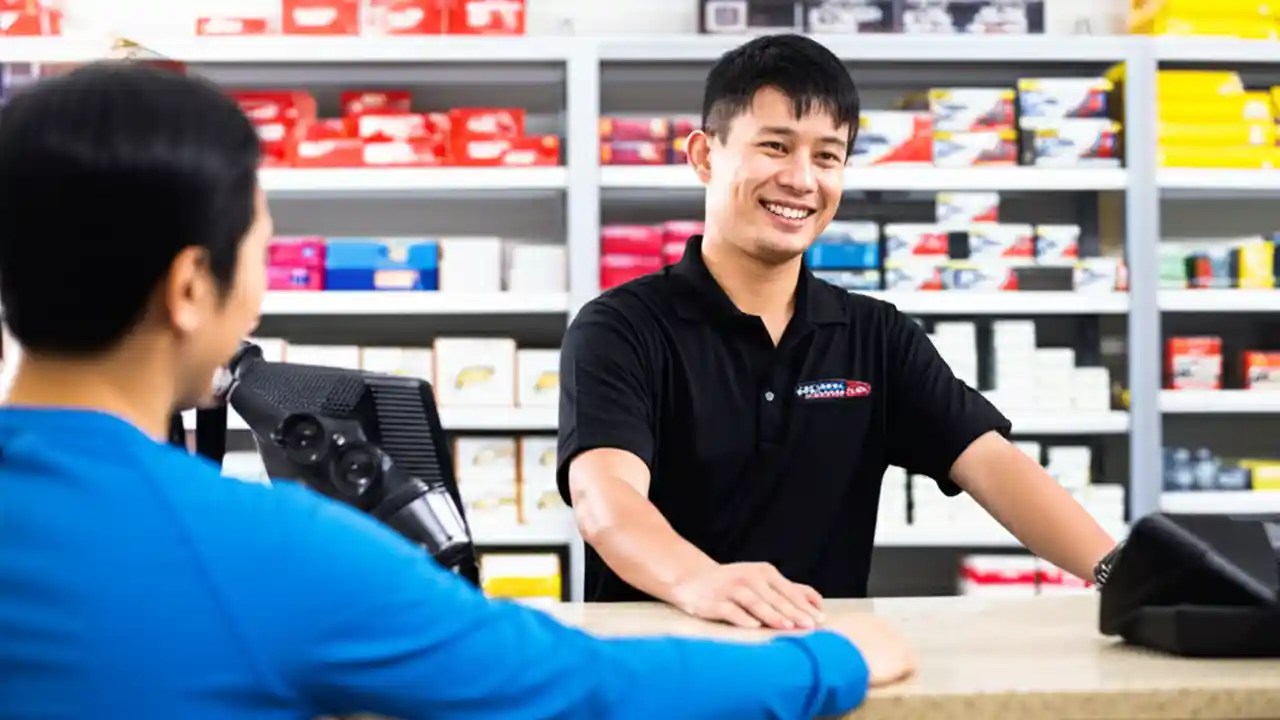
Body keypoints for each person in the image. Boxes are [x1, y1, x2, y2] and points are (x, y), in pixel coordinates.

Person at [0, 62, 915, 718]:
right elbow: (580, 690)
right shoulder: (270, 558)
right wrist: (826, 661)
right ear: (192, 287)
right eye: (263, 247)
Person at [557, 33, 1123, 629]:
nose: (802, 180)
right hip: (657, 674)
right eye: (775, 146)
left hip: (822, 670)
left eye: (827, 156)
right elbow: (607, 501)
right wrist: (701, 581)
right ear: (704, 155)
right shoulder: (620, 329)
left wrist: (1122, 577)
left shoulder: (874, 337)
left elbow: (996, 467)